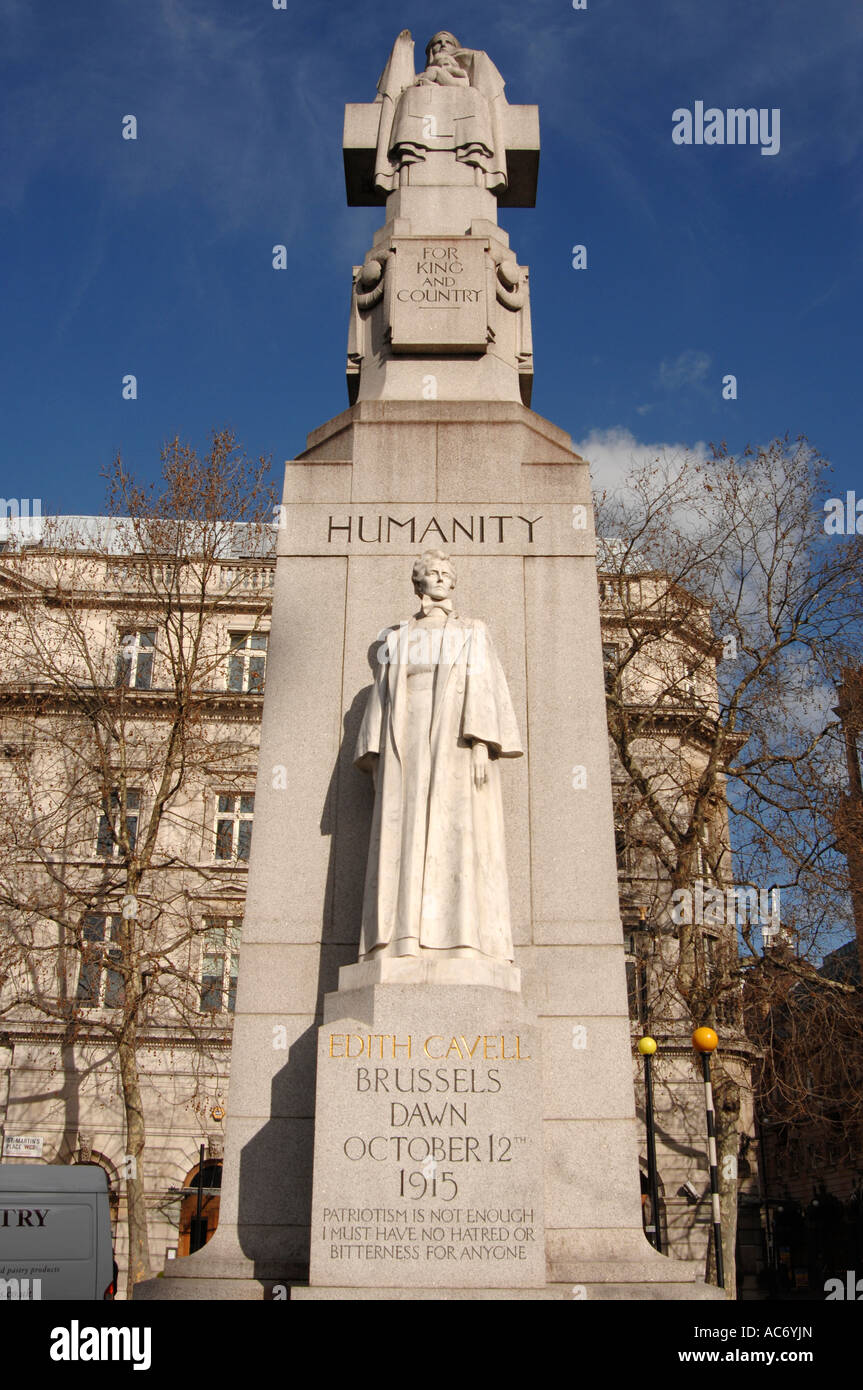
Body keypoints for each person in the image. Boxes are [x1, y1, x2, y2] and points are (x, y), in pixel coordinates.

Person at [354, 550, 522, 962]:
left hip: (455, 738)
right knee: (404, 833)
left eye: (447, 573)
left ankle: (463, 938)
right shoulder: (397, 637)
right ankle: (401, 939)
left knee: (456, 833)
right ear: (419, 584)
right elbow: (383, 698)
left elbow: (482, 685)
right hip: (406, 737)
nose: (441, 579)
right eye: (432, 573)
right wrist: (375, 755)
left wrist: (482, 743)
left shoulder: (473, 632)